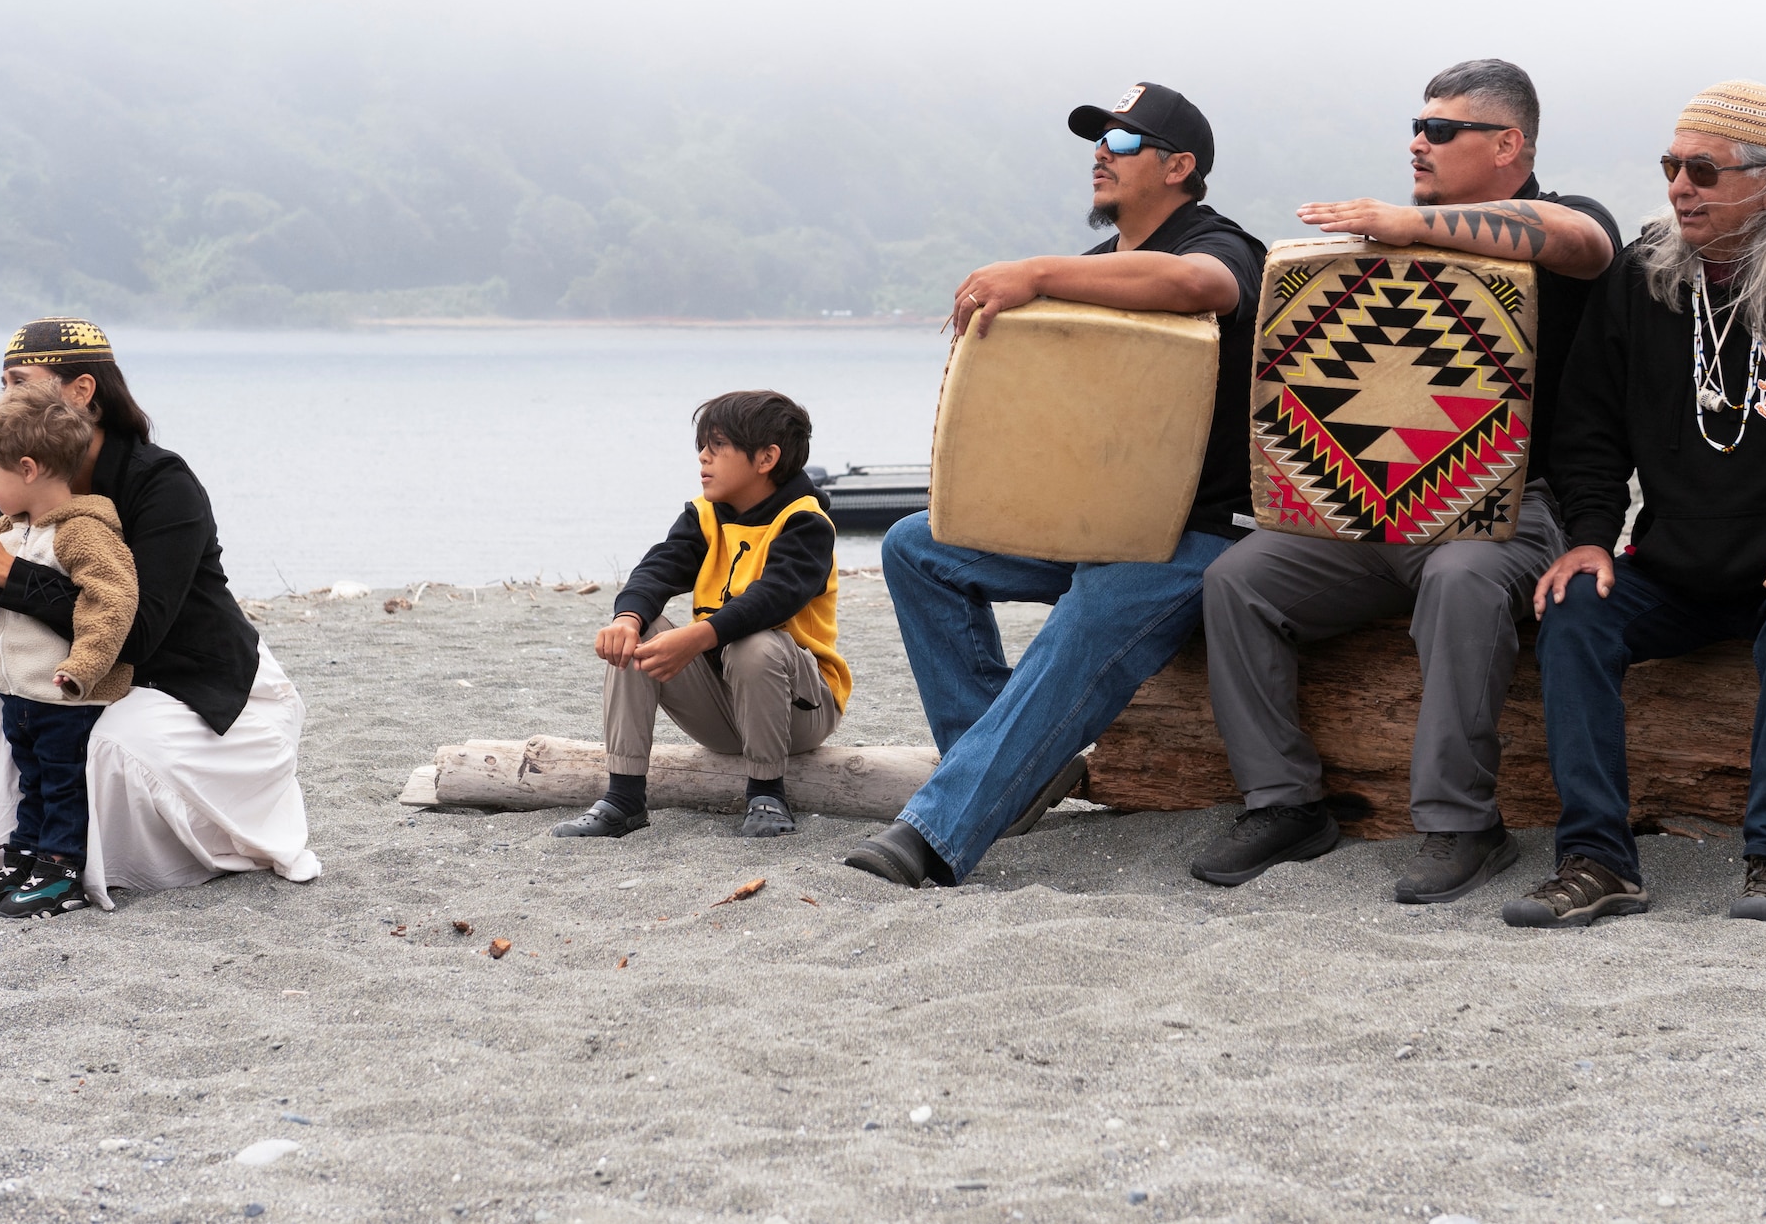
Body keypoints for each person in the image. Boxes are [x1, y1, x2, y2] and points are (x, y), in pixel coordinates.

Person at [1193, 59, 1621, 898]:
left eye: (1441, 129)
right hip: (1368, 514)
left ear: (1509, 144)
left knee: (1462, 579)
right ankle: (1285, 802)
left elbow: (1584, 242)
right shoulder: (1392, 246)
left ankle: (1462, 822)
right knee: (1236, 582)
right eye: (1416, 126)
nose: (1418, 143)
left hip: (1511, 511)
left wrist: (1411, 223)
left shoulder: (1564, 220)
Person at [1509, 81, 1766, 927]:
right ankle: (1597, 859)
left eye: (1703, 170)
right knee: (1574, 610)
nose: (1679, 187)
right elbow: (1588, 427)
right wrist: (1589, 536)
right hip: (1677, 563)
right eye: (1671, 166)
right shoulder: (1643, 275)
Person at [847, 81, 1266, 888]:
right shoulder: (1094, 268)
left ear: (1180, 166)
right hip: (1096, 521)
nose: (1102, 154)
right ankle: (1005, 773)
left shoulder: (1220, 242)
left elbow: (1202, 287)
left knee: (1097, 606)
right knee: (916, 546)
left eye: (1125, 141)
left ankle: (935, 832)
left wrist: (1036, 271)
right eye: (1098, 140)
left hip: (1200, 534)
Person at [0, 318, 320, 907]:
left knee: (114, 742)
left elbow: (135, 635)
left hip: (199, 680)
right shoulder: (27, 488)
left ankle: (72, 865)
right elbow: (1, 653)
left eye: (18, 382)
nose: (3, 399)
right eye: (1, 384)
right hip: (84, 667)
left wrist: (10, 575)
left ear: (82, 391)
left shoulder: (161, 483)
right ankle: (17, 857)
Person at [553, 390, 849, 841]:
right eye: (702, 446)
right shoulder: (705, 515)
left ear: (766, 458)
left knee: (755, 642)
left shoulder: (805, 522)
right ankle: (624, 799)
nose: (703, 458)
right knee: (642, 635)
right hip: (723, 710)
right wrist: (627, 619)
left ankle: (767, 794)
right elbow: (660, 567)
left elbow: (773, 598)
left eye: (718, 446)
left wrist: (696, 637)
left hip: (800, 712)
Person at [0, 384, 139, 918]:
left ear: (29, 469)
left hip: (66, 695)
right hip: (18, 693)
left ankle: (61, 872)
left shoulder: (82, 532)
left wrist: (82, 668)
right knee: (30, 779)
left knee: (63, 784)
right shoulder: (6, 531)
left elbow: (113, 600)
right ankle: (25, 859)